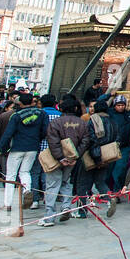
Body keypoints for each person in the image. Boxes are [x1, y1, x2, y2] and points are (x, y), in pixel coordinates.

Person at [0, 93, 49, 212]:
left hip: (17, 148)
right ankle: (27, 190)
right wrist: (37, 139)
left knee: (11, 175)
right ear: (32, 102)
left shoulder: (16, 116)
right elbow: (44, 131)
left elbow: (7, 135)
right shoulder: (42, 114)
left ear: (19, 103)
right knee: (25, 172)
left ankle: (7, 204)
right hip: (33, 147)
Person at [40, 95, 85, 226]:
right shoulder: (82, 123)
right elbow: (85, 141)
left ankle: (49, 216)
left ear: (60, 108)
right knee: (65, 182)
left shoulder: (55, 123)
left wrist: (60, 157)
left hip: (56, 159)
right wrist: (75, 156)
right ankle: (66, 207)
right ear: (75, 108)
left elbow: (53, 141)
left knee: (52, 185)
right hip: (72, 159)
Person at [76, 99, 119, 218]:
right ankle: (109, 199)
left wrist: (96, 158)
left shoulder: (93, 120)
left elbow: (92, 140)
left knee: (83, 184)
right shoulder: (113, 121)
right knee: (100, 182)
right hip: (108, 157)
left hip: (93, 156)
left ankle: (82, 211)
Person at [107, 96, 130, 189]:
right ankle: (108, 191)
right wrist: (109, 95)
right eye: (118, 105)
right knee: (109, 170)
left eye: (122, 105)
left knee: (120, 169)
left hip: (124, 147)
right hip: (111, 146)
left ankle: (116, 192)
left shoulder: (129, 115)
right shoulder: (110, 114)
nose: (120, 107)